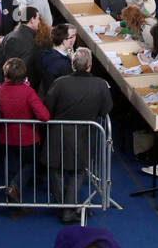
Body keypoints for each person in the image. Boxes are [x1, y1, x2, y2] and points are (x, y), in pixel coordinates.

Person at [42, 48, 112, 223]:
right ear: (89, 66)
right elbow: (106, 110)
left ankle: (63, 207)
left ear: (73, 65)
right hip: (83, 135)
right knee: (78, 172)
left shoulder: (59, 83)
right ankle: (68, 208)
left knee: (56, 170)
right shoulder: (100, 84)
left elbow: (48, 108)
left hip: (58, 134)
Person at [0, 57, 50, 204]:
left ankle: (12, 193)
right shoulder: (28, 92)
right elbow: (44, 116)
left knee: (12, 166)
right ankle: (14, 187)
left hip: (5, 136)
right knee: (30, 164)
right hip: (27, 138)